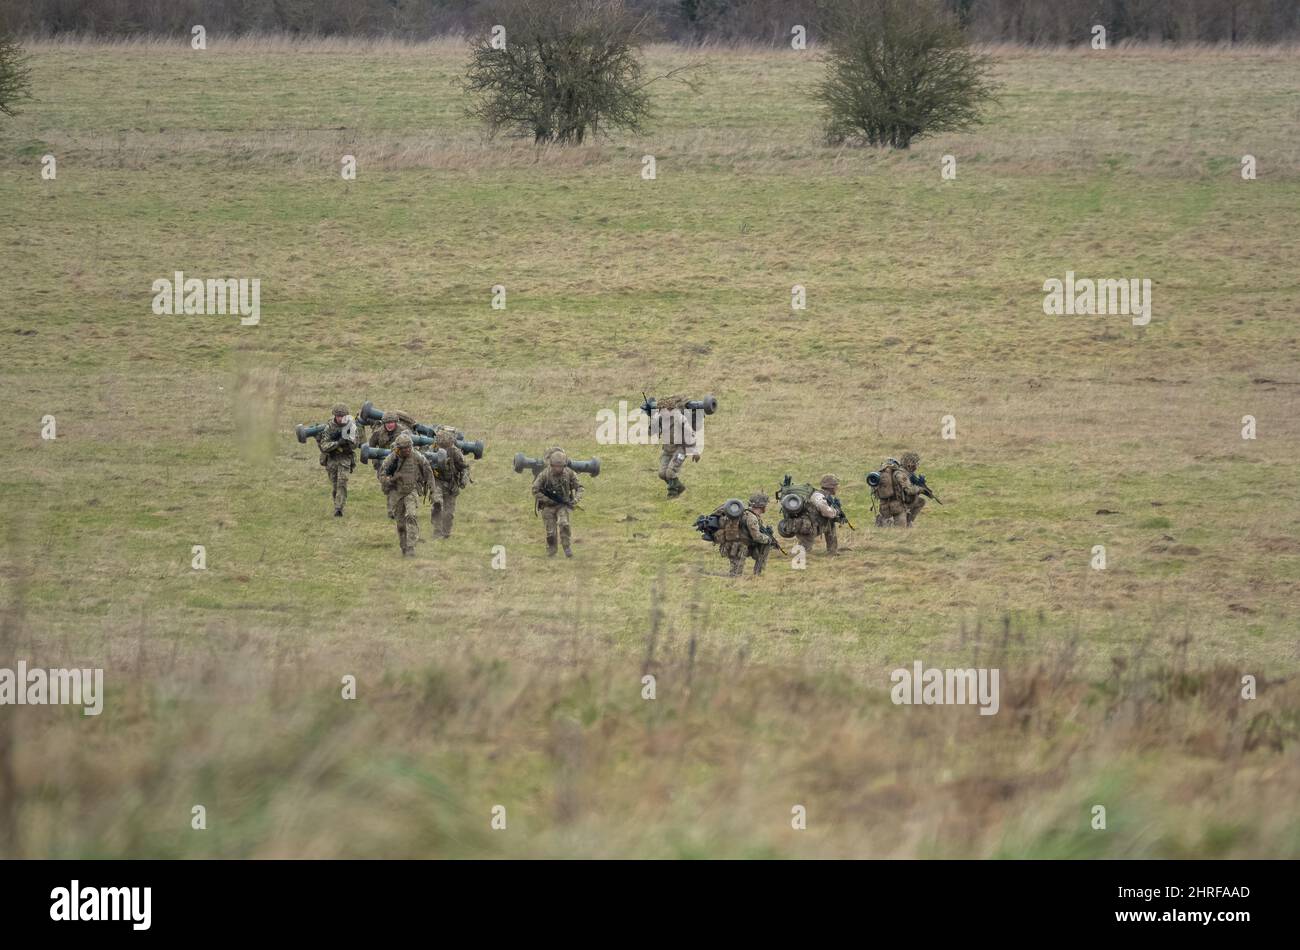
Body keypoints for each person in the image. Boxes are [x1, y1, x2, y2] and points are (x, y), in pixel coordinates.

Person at [378, 432, 434, 556]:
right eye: (404, 448)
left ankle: (411, 546)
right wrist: (391, 479)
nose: (407, 450)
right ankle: (404, 546)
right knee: (401, 524)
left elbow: (428, 470)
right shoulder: (391, 459)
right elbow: (381, 476)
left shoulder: (417, 456)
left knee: (411, 515)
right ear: (398, 449)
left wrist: (432, 488)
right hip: (397, 493)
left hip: (411, 490)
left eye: (409, 447)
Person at [531, 449, 583, 557]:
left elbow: (580, 488)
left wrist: (575, 500)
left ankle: (567, 547)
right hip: (547, 507)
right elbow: (535, 490)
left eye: (560, 466)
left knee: (564, 524)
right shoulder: (544, 474)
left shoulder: (569, 473)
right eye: (556, 466)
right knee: (551, 532)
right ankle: (551, 551)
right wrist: (547, 500)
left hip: (562, 505)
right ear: (551, 465)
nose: (558, 468)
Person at [652, 394, 701, 498]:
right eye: (660, 410)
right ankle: (679, 486)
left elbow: (690, 433)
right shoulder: (660, 417)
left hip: (681, 449)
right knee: (662, 473)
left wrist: (695, 451)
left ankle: (673, 493)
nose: (661, 413)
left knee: (670, 472)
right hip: (667, 449)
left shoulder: (680, 418)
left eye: (663, 410)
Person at [315, 403, 357, 517]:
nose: (340, 418)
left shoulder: (351, 426)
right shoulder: (328, 427)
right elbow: (324, 445)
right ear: (334, 416)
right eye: (338, 416)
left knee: (342, 483)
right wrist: (338, 443)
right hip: (332, 459)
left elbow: (355, 444)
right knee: (335, 485)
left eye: (343, 416)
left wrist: (348, 442)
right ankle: (336, 504)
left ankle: (339, 508)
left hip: (345, 459)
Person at [718, 492, 773, 576]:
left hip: (729, 545)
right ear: (762, 506)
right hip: (740, 547)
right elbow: (757, 537)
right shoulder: (752, 518)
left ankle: (733, 581)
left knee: (734, 570)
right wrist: (768, 539)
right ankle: (756, 575)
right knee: (736, 573)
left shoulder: (743, 513)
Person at [367, 410, 410, 519]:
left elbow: (412, 446)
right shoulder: (378, 432)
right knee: (389, 487)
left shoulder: (404, 432)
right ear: (384, 423)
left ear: (396, 422)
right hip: (384, 464)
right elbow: (370, 447)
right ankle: (393, 511)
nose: (390, 425)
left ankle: (397, 511)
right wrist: (376, 462)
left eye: (392, 422)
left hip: (401, 463)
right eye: (387, 423)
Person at [429, 426, 469, 538]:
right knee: (437, 503)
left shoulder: (455, 452)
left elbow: (464, 467)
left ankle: (446, 533)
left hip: (451, 484)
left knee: (449, 513)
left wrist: (464, 478)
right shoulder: (432, 450)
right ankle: (437, 531)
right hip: (437, 481)